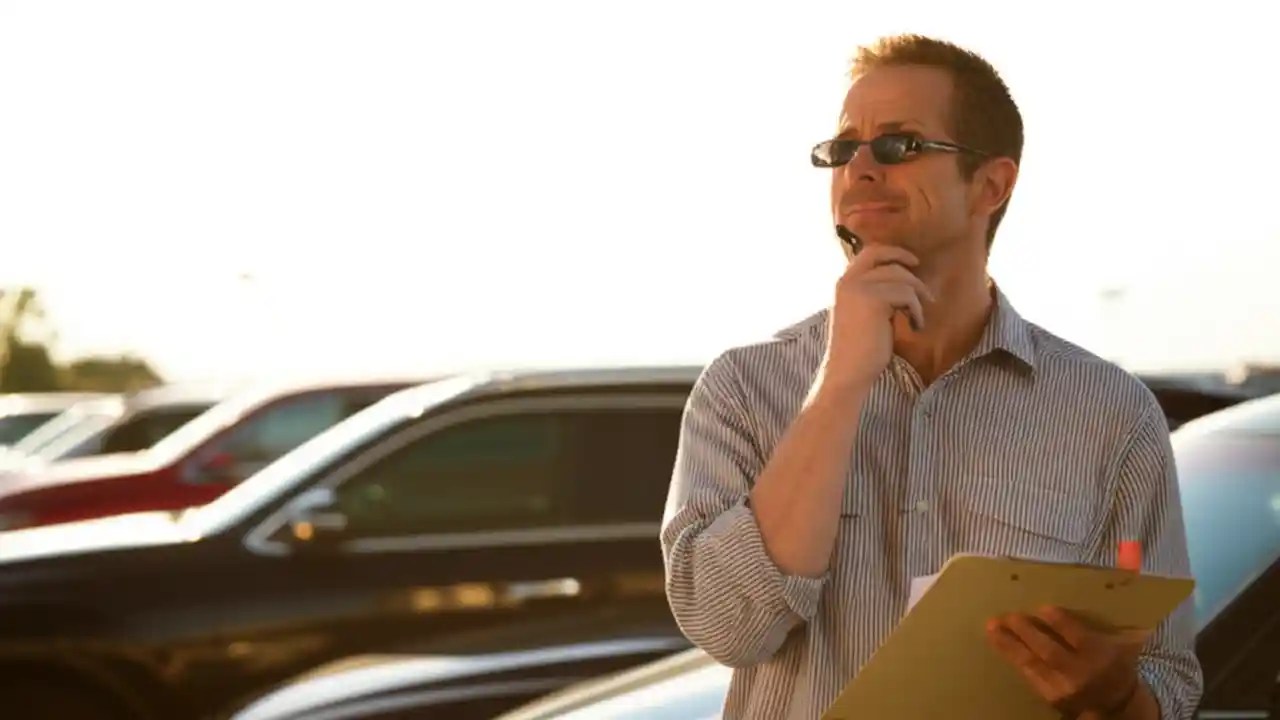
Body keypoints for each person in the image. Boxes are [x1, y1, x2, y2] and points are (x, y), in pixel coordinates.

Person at [660, 33, 1202, 720]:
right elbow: (725, 627)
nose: (858, 168)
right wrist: (841, 382)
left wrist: (1116, 696)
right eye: (842, 148)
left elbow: (1172, 687)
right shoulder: (741, 389)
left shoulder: (1111, 415)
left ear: (992, 184)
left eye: (898, 144)